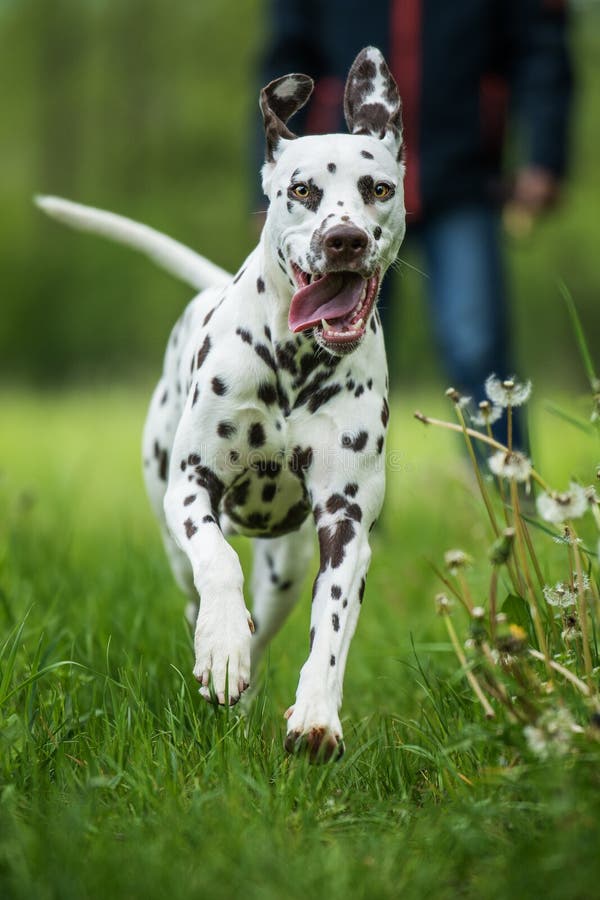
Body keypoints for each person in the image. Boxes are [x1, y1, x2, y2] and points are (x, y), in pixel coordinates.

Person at [254, 0, 573, 449]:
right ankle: (341, 510)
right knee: (336, 352)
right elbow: (287, 53)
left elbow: (538, 46)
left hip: (463, 176)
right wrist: (272, 191)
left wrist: (544, 154)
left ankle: (509, 503)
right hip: (336, 195)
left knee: (477, 347)